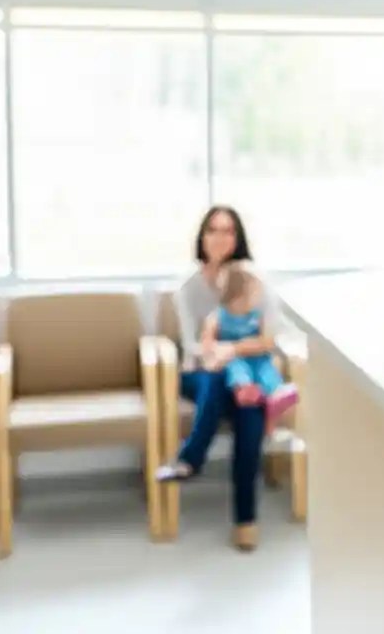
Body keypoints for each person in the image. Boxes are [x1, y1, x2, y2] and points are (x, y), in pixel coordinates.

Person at [154, 205, 283, 552]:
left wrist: (232, 351)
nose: (220, 238)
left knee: (249, 407)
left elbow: (269, 338)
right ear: (202, 237)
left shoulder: (254, 281)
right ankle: (242, 512)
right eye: (213, 230)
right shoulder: (188, 288)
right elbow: (191, 345)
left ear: (238, 238)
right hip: (199, 374)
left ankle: (200, 470)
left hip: (245, 373)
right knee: (217, 377)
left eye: (228, 231)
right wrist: (219, 355)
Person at [199, 266, 299, 437]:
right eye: (252, 294)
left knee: (267, 370)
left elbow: (266, 341)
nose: (256, 298)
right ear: (236, 295)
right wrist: (217, 351)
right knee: (236, 367)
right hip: (233, 358)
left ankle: (276, 394)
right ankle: (244, 389)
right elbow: (207, 344)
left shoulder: (256, 316)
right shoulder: (218, 317)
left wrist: (253, 346)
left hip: (257, 357)